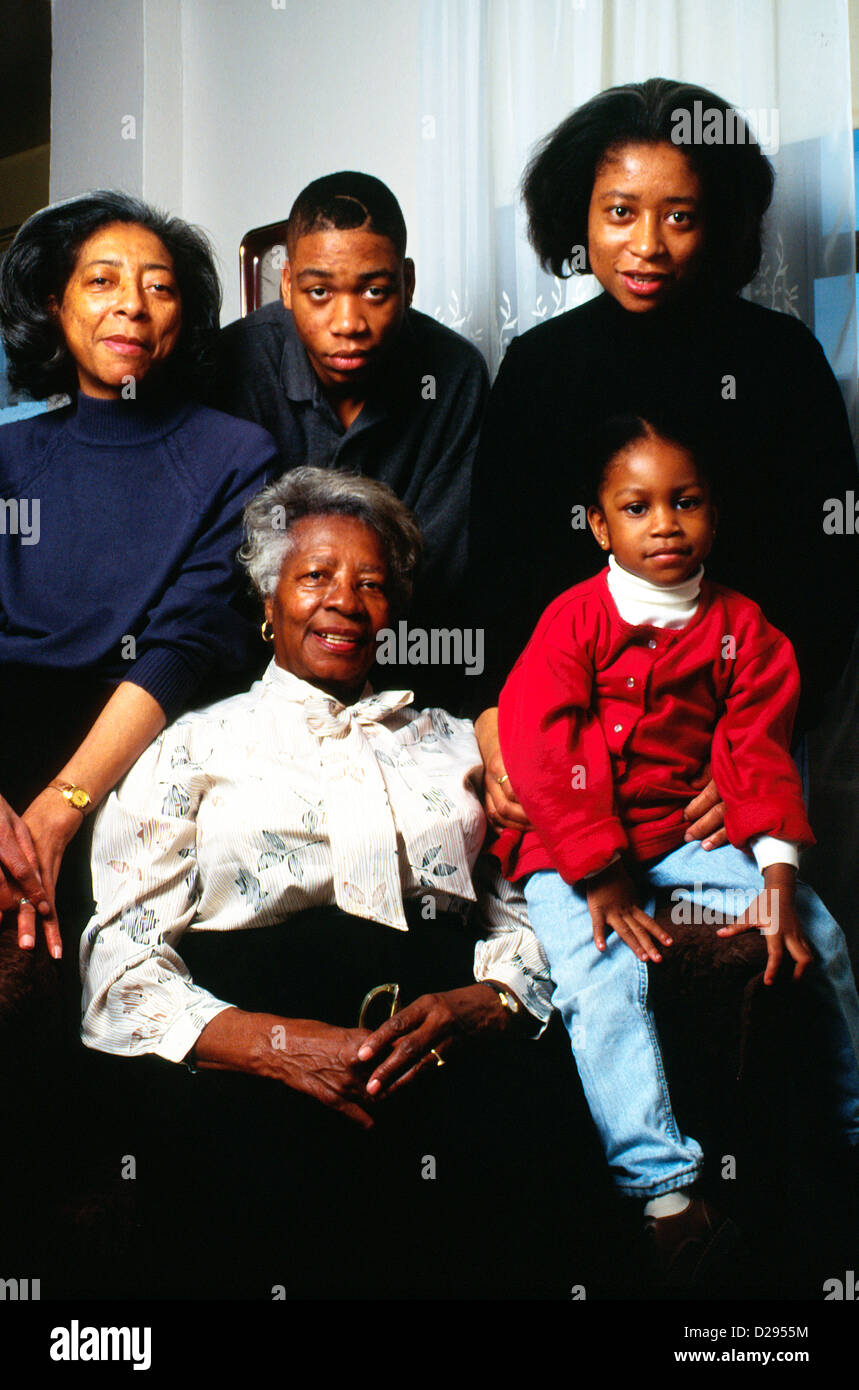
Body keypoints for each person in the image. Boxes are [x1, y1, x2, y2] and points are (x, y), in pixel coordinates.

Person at [77, 467, 580, 1298]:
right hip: (252, 1065)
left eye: (370, 583)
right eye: (313, 577)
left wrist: (479, 1008)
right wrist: (279, 1049)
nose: (343, 599)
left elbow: (530, 916)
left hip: (442, 1053)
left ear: (393, 612)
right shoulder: (192, 746)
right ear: (266, 602)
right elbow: (120, 962)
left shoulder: (458, 743)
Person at [493, 414, 859, 1286]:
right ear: (599, 525)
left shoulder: (744, 626)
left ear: (713, 514)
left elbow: (759, 754)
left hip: (684, 839)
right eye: (637, 506)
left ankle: (848, 1123)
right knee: (601, 976)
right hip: (567, 845)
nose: (664, 524)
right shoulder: (572, 621)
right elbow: (543, 744)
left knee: (824, 935)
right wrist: (601, 878)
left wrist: (772, 876)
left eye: (684, 503)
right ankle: (661, 1191)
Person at [469, 77, 858, 834]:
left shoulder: (779, 360)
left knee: (765, 943)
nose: (646, 245)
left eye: (678, 217)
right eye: (619, 212)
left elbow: (828, 575)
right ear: (578, 215)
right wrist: (491, 715)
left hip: (729, 740)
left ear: (718, 222)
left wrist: (757, 747)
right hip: (566, 728)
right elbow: (496, 569)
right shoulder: (540, 366)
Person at [0, 190, 277, 965]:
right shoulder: (7, 457)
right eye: (102, 282)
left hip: (131, 746)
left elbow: (186, 640)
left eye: (159, 287)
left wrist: (60, 810)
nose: (132, 306)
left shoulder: (235, 454)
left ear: (182, 318)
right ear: (55, 306)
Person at [213, 171, 490, 706]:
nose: (348, 322)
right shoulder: (230, 366)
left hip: (405, 671)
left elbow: (438, 571)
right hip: (250, 678)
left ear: (407, 283)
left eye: (375, 291)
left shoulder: (454, 374)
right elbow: (220, 563)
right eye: (320, 292)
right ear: (287, 285)